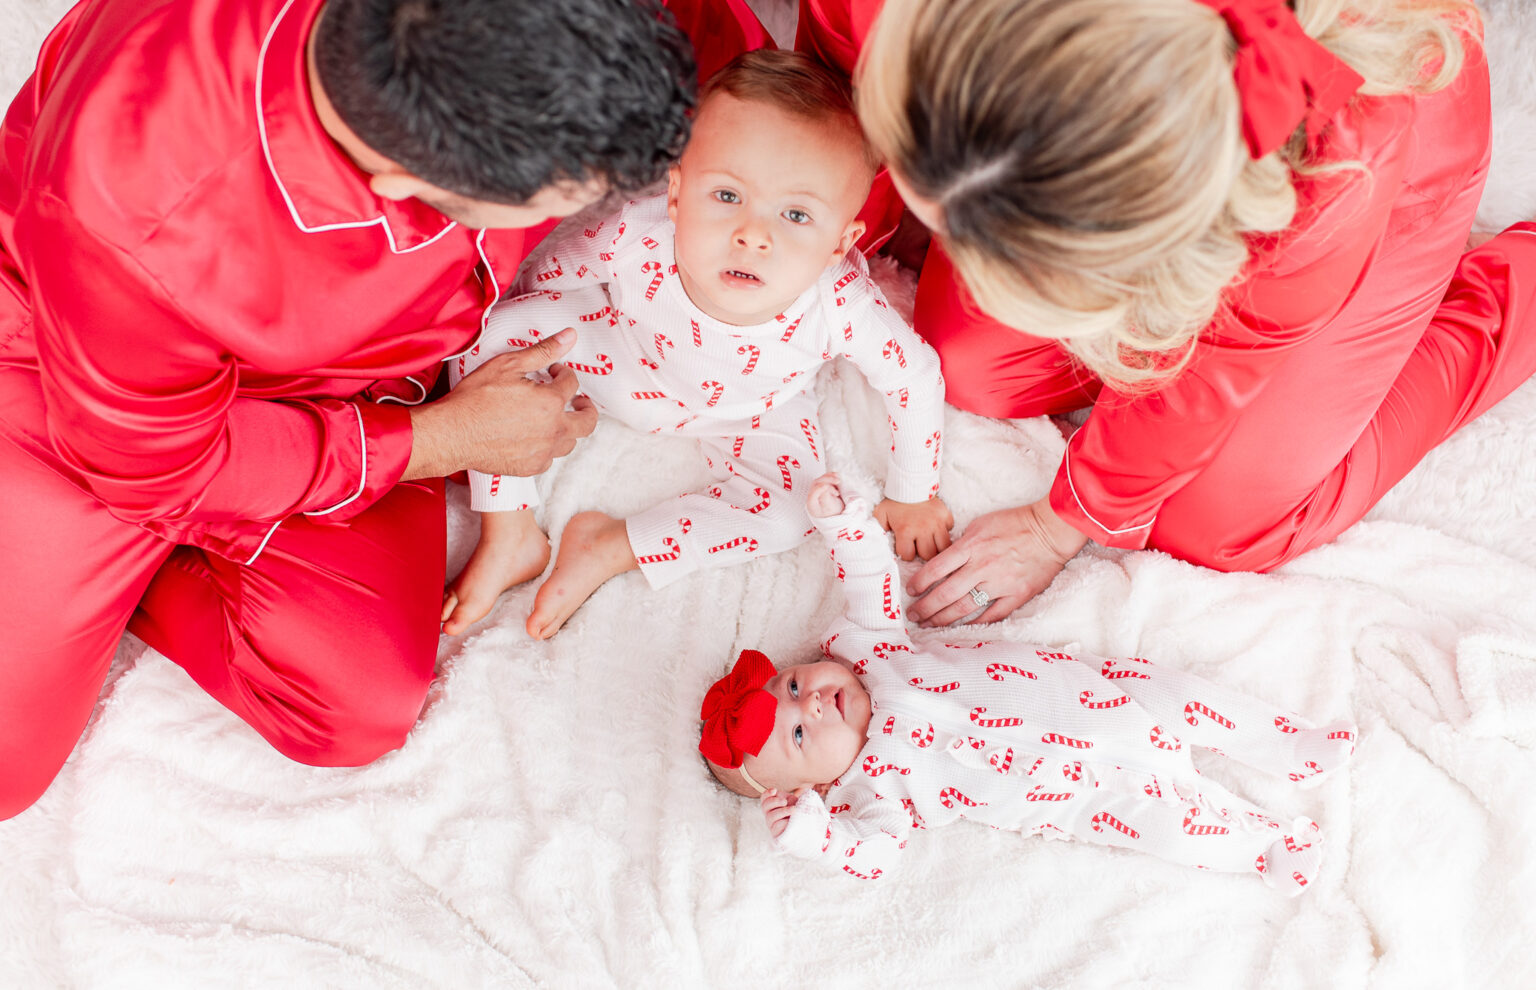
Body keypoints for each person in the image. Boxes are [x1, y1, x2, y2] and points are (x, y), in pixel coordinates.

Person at [0, 0, 773, 820]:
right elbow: (157, 462)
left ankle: (145, 563)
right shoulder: (134, 212)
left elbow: (717, 66)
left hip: (334, 392)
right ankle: (121, 552)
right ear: (407, 188)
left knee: (353, 706)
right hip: (78, 386)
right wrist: (447, 439)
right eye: (563, 198)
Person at [793, 0, 1536, 626]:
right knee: (966, 362)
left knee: (1217, 527)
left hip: (1388, 118)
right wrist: (827, 232)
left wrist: (1061, 524)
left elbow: (1216, 368)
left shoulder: (1325, 166)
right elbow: (835, 69)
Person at [440, 50, 953, 641]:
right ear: (678, 195)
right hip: (619, 355)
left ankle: (613, 547)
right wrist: (531, 378)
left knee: (797, 510)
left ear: (841, 241)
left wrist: (914, 494)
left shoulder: (839, 301)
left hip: (750, 411)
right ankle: (509, 533)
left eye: (795, 215)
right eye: (728, 197)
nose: (753, 236)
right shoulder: (637, 225)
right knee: (492, 330)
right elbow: (547, 271)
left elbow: (913, 378)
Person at [700, 473, 1357, 892]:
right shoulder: (872, 793)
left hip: (1106, 693)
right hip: (1081, 796)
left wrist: (844, 525)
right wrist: (817, 837)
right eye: (796, 733)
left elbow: (868, 582)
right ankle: (1264, 845)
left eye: (790, 687)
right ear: (816, 787)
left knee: (1188, 697)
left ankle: (1290, 746)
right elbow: (871, 857)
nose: (809, 702)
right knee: (1172, 826)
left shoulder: (870, 653)